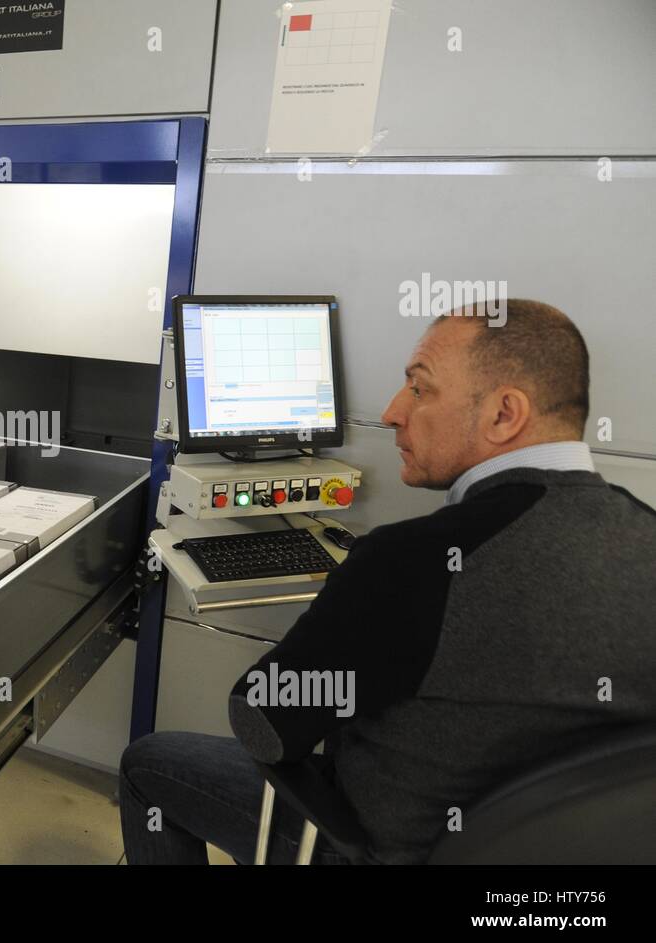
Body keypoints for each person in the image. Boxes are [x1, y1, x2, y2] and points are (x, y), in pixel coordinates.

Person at [120, 299, 656, 864]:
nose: (392, 411)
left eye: (419, 389)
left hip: (381, 847)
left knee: (147, 764)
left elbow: (263, 724)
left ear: (504, 414)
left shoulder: (412, 561)